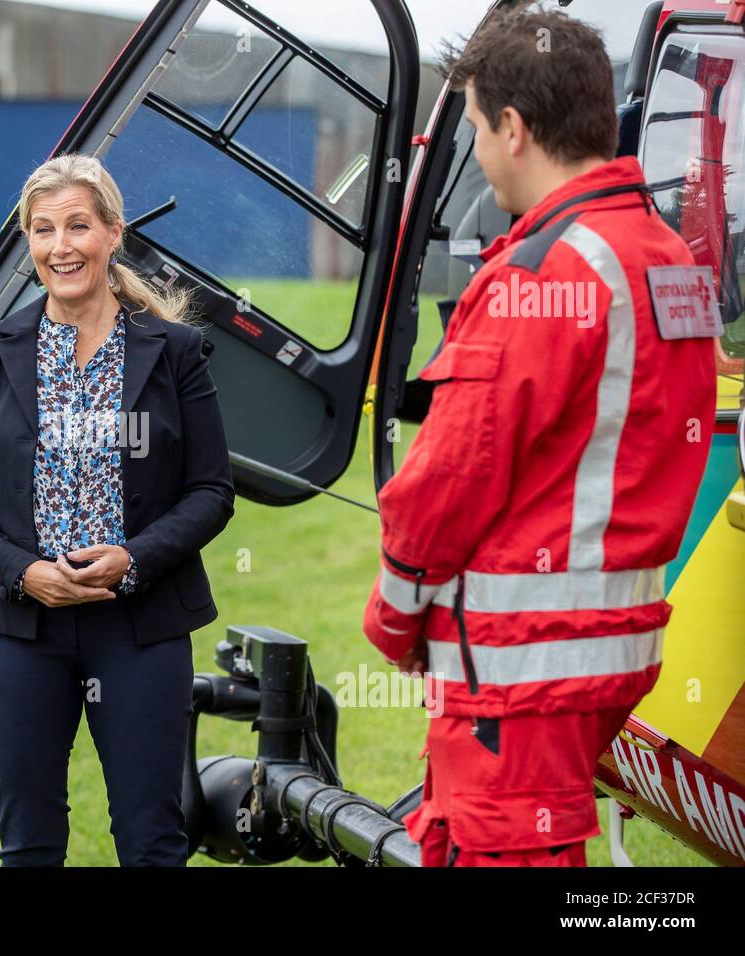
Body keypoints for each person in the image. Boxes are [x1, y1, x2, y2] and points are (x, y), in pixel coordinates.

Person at [362, 7, 719, 867]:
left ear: (515, 130)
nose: (480, 153)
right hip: (610, 652)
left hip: (525, 675)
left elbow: (445, 482)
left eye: (479, 129)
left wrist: (393, 618)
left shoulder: (541, 273)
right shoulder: (670, 257)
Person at [0, 153, 235, 866]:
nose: (60, 246)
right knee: (29, 841)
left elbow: (211, 491)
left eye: (77, 226)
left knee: (152, 838)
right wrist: (21, 572)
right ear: (27, 243)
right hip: (19, 629)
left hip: (140, 626)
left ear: (112, 233)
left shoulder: (176, 351)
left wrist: (136, 557)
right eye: (42, 230)